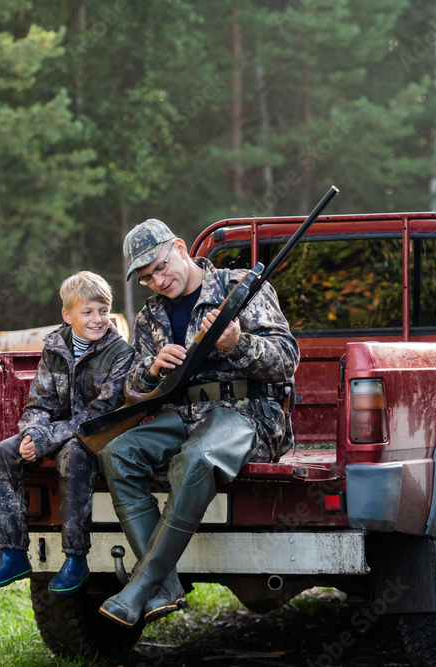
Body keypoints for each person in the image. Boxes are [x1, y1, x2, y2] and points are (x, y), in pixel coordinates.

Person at [97, 219, 299, 627]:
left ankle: (142, 584)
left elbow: (286, 359)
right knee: (117, 453)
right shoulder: (151, 315)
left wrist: (237, 343)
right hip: (180, 415)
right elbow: (133, 385)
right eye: (147, 277)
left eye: (160, 267)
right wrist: (153, 369)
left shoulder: (238, 287)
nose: (158, 280)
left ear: (180, 248)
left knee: (196, 457)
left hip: (245, 414)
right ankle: (166, 587)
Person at [0, 271, 134, 594]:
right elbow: (40, 401)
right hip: (54, 431)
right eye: (87, 312)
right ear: (67, 315)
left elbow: (100, 414)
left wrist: (44, 438)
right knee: (4, 452)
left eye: (103, 311)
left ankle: (75, 558)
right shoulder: (55, 347)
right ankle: (12, 554)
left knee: (72, 454)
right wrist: (31, 435)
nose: (97, 319)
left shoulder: (120, 353)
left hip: (98, 434)